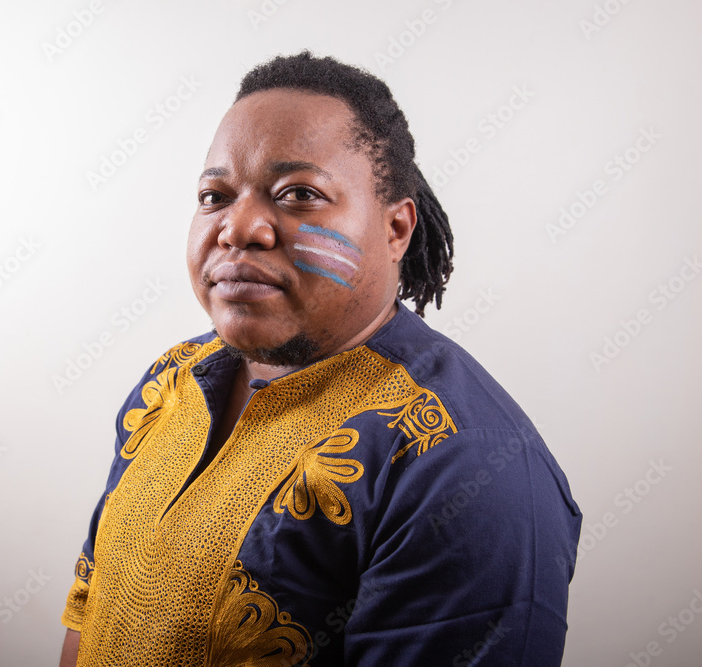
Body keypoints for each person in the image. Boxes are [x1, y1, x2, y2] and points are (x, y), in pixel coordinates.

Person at [58, 51, 581, 666]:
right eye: (214, 195)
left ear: (396, 229)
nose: (239, 228)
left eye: (299, 194)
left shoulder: (464, 465)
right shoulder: (171, 381)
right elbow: (89, 612)